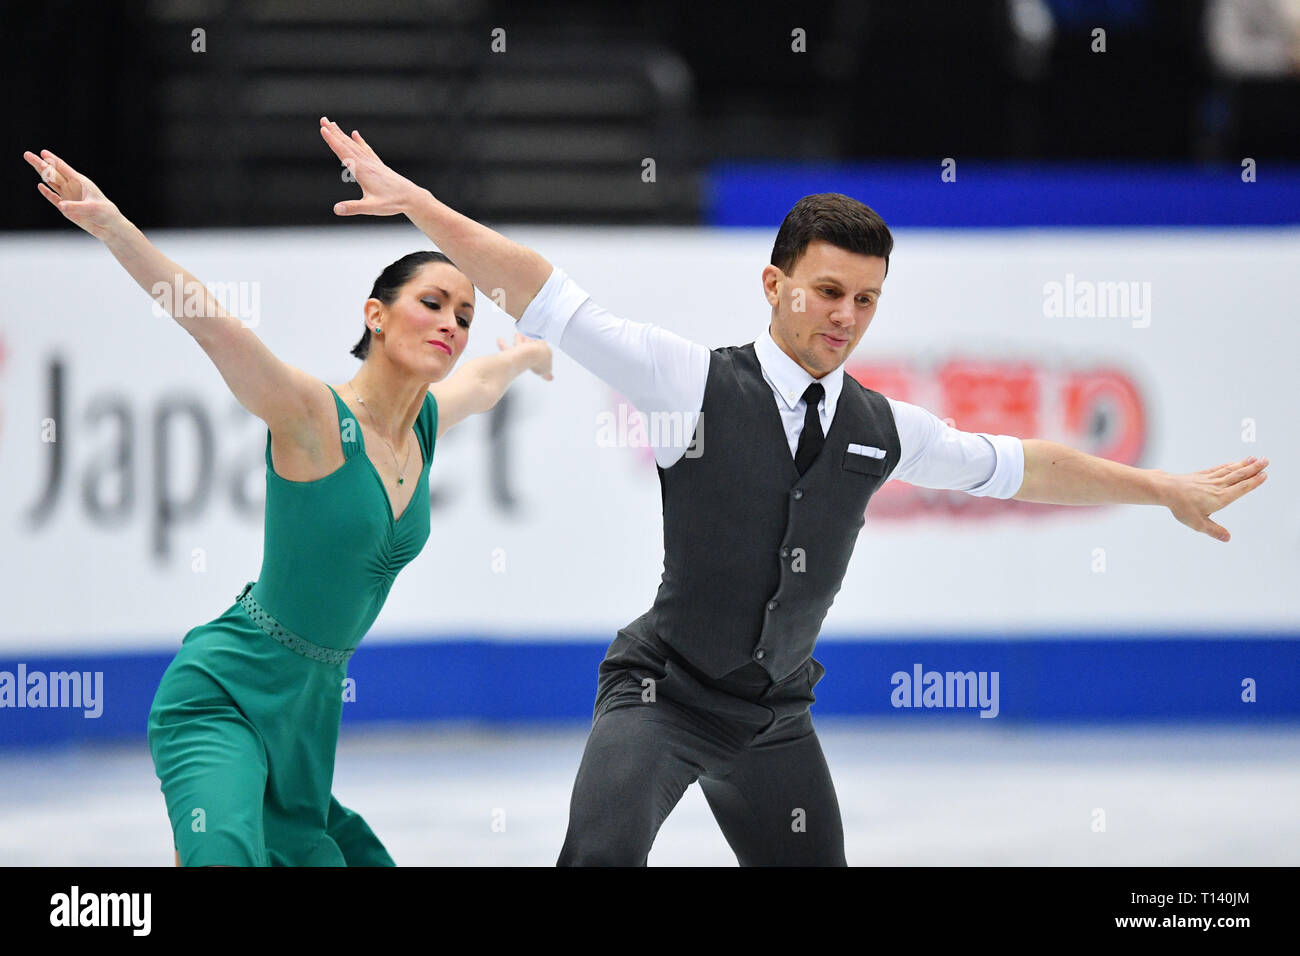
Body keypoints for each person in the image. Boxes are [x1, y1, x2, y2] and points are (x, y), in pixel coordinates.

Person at [316, 118, 1270, 866]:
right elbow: (539, 289)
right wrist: (415, 203)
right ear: (774, 284)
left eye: (865, 300)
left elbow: (1020, 463)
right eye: (825, 291)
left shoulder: (881, 427)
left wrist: (1160, 489)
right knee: (600, 858)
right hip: (661, 694)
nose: (844, 317)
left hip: (775, 719)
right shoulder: (685, 379)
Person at [23, 146, 554, 866]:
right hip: (222, 695)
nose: (452, 325)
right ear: (377, 315)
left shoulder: (423, 422)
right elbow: (210, 323)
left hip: (306, 720)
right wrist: (112, 223)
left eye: (463, 314)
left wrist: (524, 354)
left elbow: (485, 380)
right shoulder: (312, 417)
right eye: (432, 303)